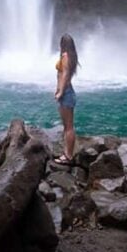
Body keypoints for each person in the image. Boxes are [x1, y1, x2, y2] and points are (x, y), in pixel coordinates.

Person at [54, 32, 79, 165]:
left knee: (68, 126)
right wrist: (58, 89)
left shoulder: (65, 56)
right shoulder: (71, 56)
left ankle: (68, 156)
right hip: (67, 92)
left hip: (67, 93)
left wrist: (60, 92)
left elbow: (64, 75)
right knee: (67, 126)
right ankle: (66, 153)